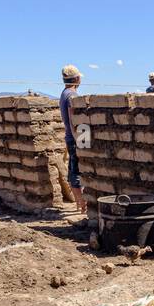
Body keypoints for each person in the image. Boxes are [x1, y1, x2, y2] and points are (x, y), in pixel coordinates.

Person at [59, 64, 86, 213]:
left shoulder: (64, 93)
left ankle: (78, 204)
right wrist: (81, 140)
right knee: (78, 171)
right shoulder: (72, 96)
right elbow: (73, 120)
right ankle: (82, 205)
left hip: (71, 137)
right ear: (77, 78)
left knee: (73, 169)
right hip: (77, 138)